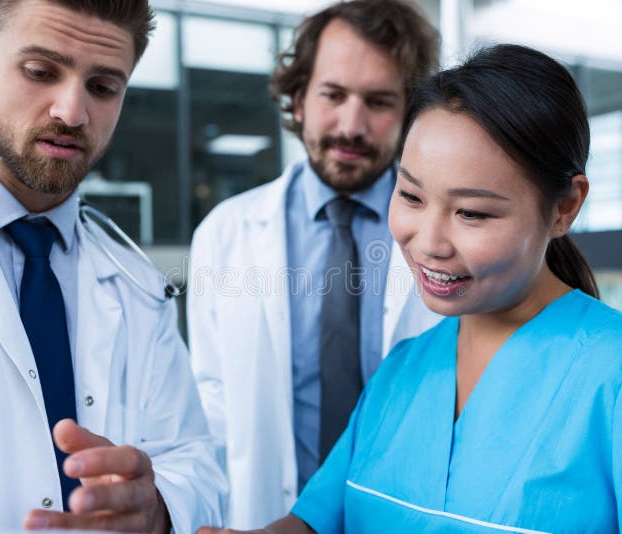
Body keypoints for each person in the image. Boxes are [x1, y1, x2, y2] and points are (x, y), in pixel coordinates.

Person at [198, 44, 622, 534]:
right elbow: (318, 522)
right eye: (411, 196)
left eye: (472, 212)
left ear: (564, 207)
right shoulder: (401, 372)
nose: (428, 242)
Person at [0, 1, 226, 531]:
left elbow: (195, 463)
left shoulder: (133, 279)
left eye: (103, 87)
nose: (72, 112)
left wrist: (158, 508)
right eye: (41, 72)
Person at [186, 0, 441, 528]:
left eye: (378, 101)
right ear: (298, 98)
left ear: (410, 113)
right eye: (333, 95)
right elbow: (210, 404)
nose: (352, 125)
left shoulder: (445, 236)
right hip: (266, 513)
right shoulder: (225, 233)